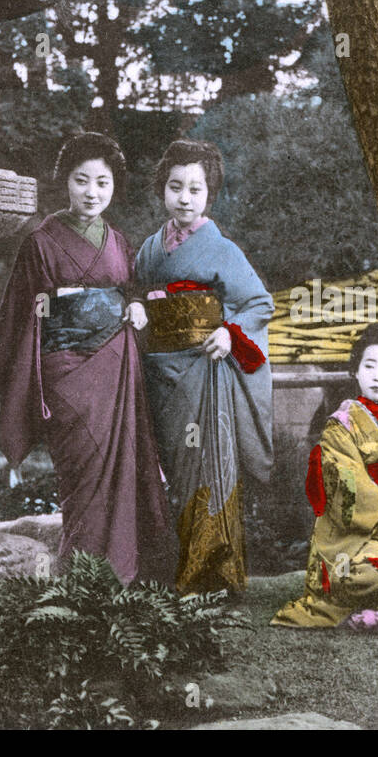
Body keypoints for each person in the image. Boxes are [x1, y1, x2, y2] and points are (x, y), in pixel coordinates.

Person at [0, 131, 172, 586]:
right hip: (66, 372)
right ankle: (80, 584)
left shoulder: (119, 241)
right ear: (65, 182)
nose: (92, 192)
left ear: (113, 187)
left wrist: (136, 302)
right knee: (82, 478)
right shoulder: (40, 241)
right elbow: (21, 314)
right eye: (82, 181)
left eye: (102, 183)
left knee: (121, 475)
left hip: (117, 367)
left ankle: (117, 579)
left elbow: (130, 289)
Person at [135, 139, 273, 595]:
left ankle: (209, 575)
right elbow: (134, 294)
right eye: (176, 187)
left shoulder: (223, 250)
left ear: (209, 195)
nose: (185, 198)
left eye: (196, 189)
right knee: (167, 467)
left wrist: (229, 332)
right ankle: (168, 568)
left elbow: (258, 301)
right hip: (159, 370)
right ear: (163, 191)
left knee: (205, 464)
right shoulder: (150, 250)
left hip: (204, 370)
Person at [272, 324, 378, 632]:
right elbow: (352, 492)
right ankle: (364, 607)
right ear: (356, 372)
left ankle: (377, 608)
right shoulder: (340, 426)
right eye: (370, 365)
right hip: (346, 543)